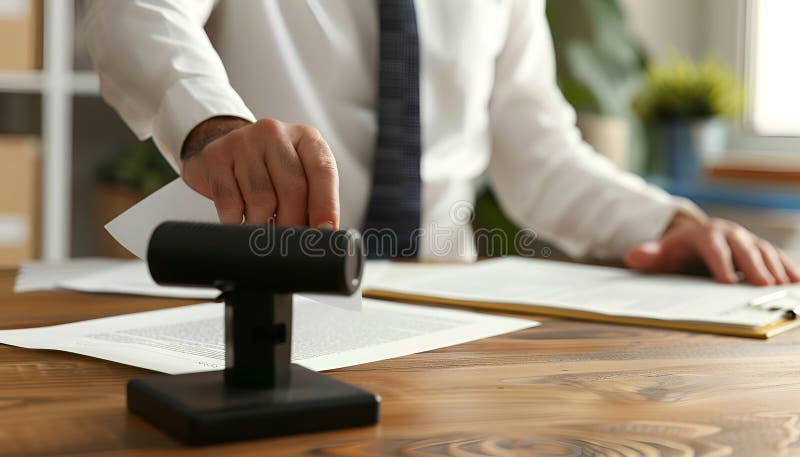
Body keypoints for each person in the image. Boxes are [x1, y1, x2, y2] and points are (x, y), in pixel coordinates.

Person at [84, 0, 799, 285]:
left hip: (443, 305)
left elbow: (541, 155)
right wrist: (216, 127)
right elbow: (136, 12)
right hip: (263, 289)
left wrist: (669, 222)